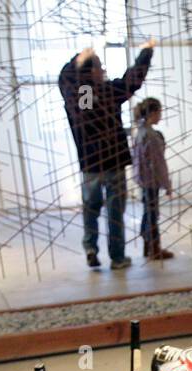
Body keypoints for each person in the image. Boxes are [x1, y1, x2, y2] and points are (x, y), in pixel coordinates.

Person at [59, 40, 156, 270]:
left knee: (91, 210)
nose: (103, 71)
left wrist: (77, 62)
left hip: (91, 164)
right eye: (100, 67)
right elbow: (134, 79)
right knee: (115, 213)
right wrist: (147, 52)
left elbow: (66, 82)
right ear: (92, 72)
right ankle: (117, 258)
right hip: (112, 163)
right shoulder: (105, 91)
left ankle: (91, 249)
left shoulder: (82, 95)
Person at [130, 97, 174, 261]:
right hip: (151, 180)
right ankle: (154, 248)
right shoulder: (151, 135)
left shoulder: (140, 132)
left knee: (149, 211)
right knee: (152, 214)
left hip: (143, 179)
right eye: (160, 112)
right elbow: (158, 163)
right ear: (154, 113)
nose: (161, 116)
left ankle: (148, 246)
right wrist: (167, 184)